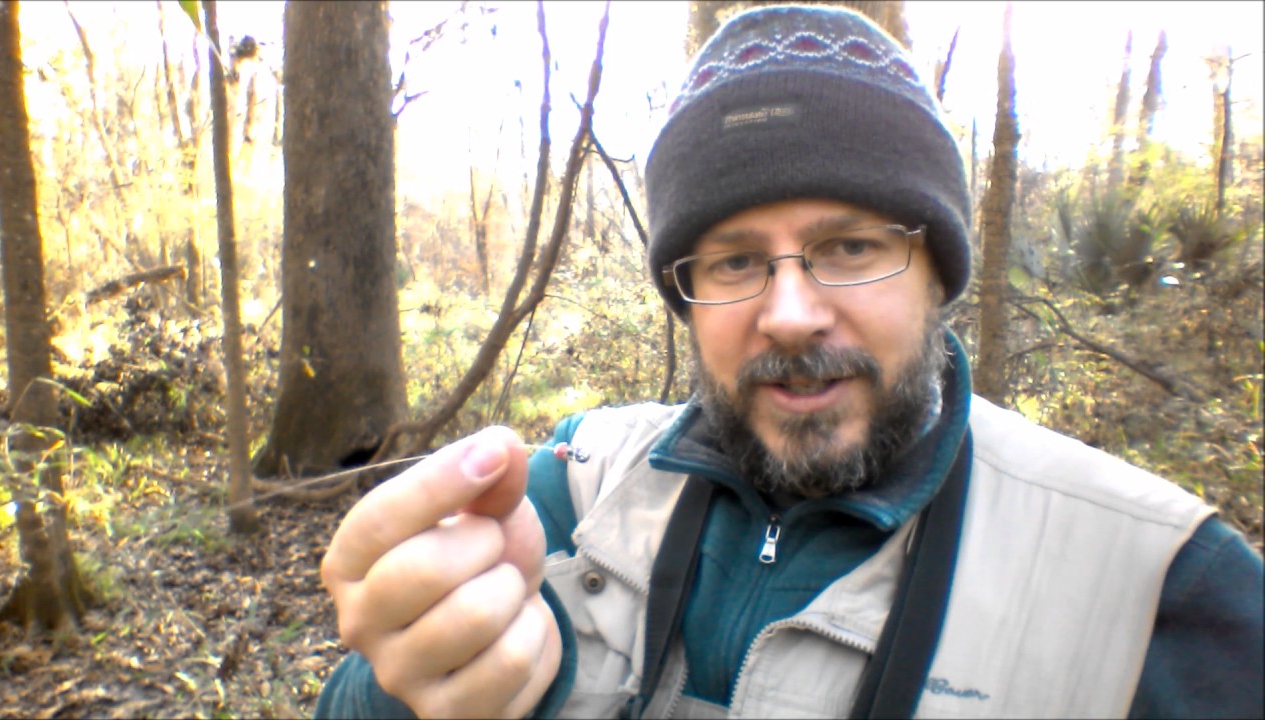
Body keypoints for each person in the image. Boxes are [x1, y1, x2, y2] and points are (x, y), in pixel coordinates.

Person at [314, 5, 1264, 719]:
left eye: (851, 246)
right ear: (685, 296)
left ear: (938, 271)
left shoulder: (1166, 584)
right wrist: (406, 682)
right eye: (733, 261)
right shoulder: (581, 488)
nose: (792, 315)